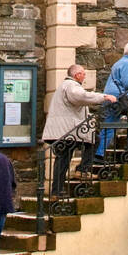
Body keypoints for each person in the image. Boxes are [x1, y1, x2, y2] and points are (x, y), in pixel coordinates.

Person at [43, 66, 115, 195]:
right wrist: (104, 97)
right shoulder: (71, 85)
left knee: (65, 158)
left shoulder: (66, 85)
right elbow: (81, 97)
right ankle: (76, 174)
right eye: (83, 74)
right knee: (90, 143)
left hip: (63, 130)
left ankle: (59, 189)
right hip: (65, 131)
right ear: (76, 75)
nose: (84, 76)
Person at [95, 42, 128, 158]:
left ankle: (99, 154)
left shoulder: (119, 62)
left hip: (111, 97)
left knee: (109, 125)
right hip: (121, 97)